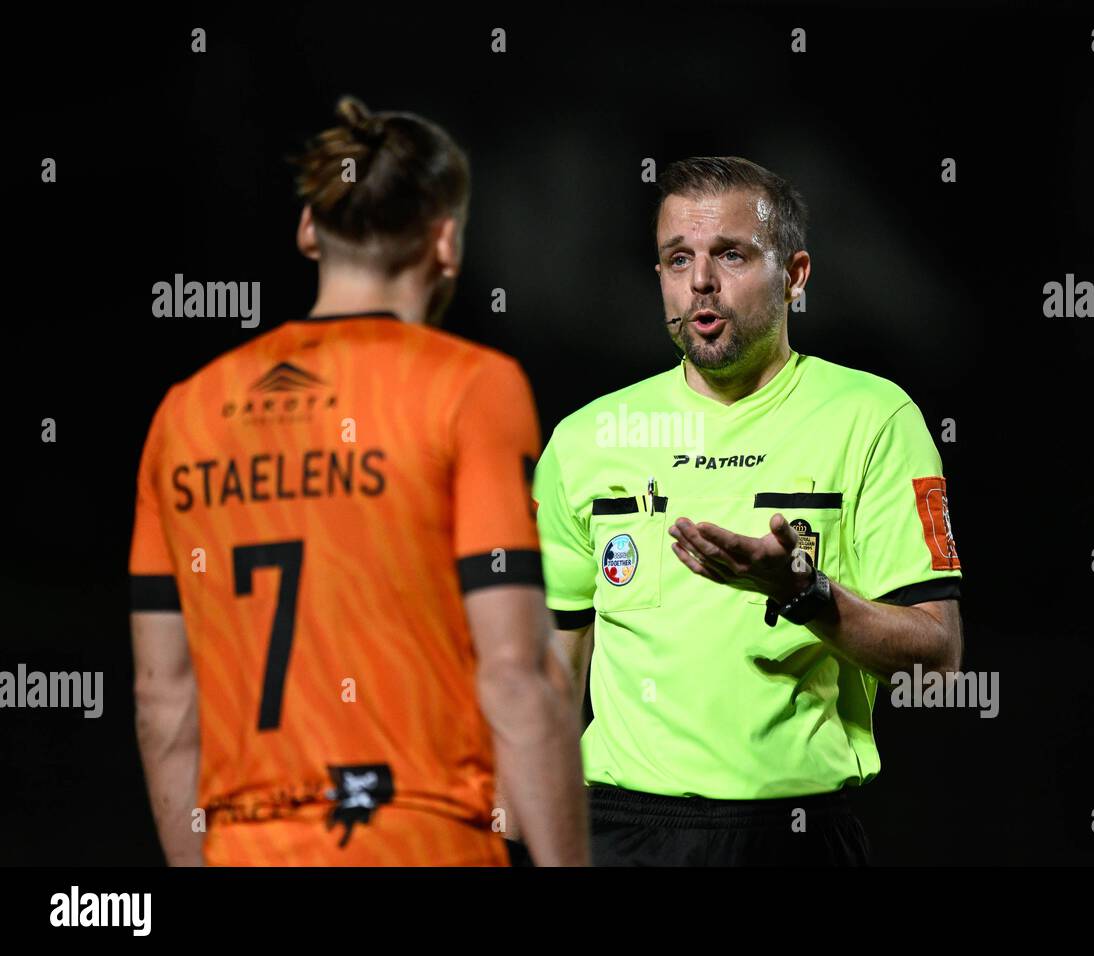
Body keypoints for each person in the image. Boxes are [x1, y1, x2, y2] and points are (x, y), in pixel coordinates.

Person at [128, 97, 588, 866]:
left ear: (310, 229)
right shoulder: (472, 388)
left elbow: (161, 698)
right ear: (445, 241)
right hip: (421, 839)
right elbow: (515, 674)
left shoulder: (185, 412)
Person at [532, 156, 963, 866]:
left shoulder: (874, 417)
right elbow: (554, 660)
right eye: (678, 258)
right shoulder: (587, 439)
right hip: (618, 830)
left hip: (792, 837)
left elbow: (938, 659)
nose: (700, 281)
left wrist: (805, 594)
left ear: (795, 276)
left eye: (731, 254)